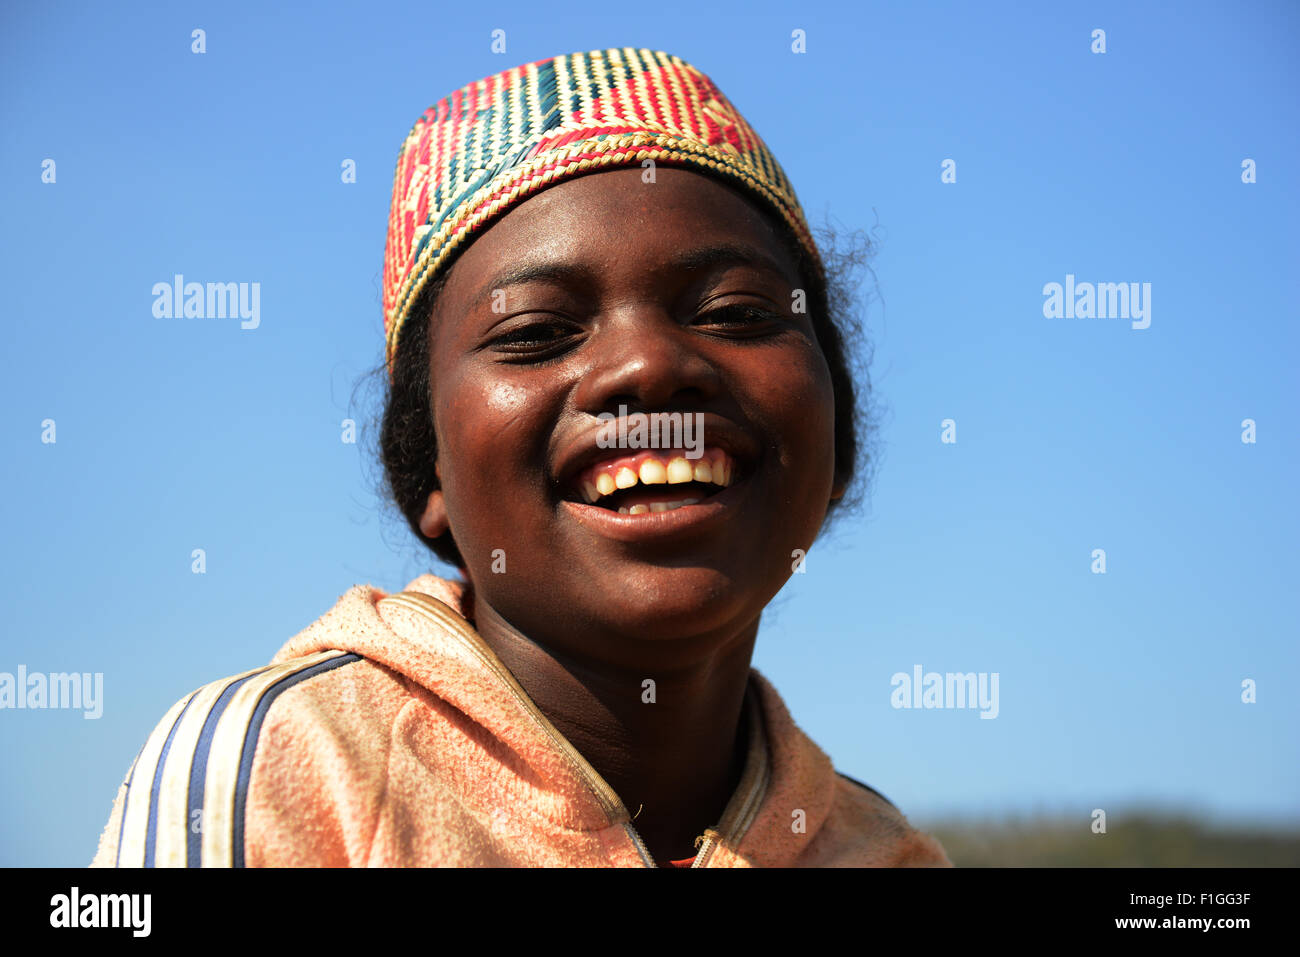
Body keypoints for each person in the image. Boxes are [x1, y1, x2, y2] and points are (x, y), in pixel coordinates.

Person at [91, 47, 951, 868]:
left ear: (834, 434)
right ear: (427, 470)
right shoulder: (267, 766)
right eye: (537, 332)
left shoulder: (884, 850)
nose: (648, 364)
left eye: (734, 312)